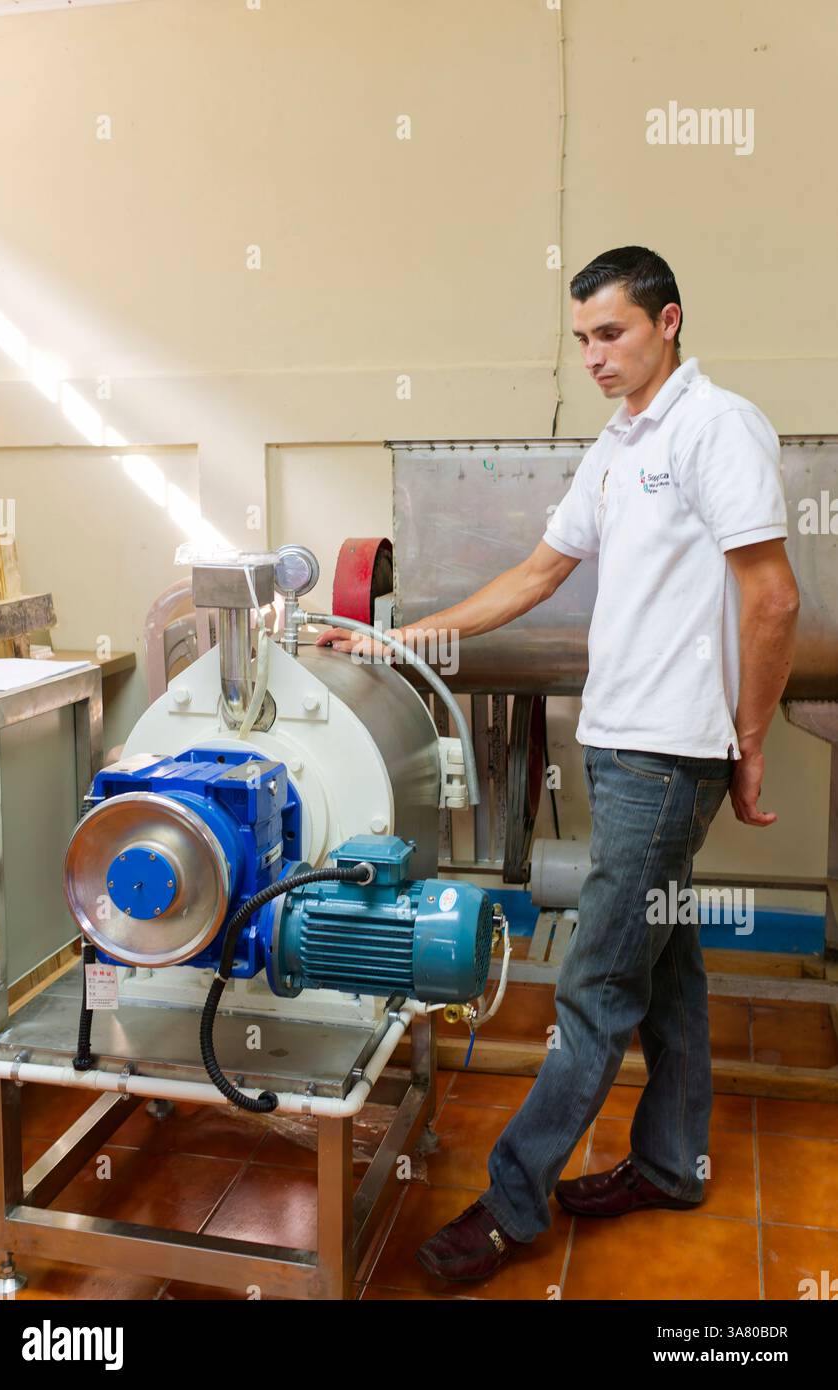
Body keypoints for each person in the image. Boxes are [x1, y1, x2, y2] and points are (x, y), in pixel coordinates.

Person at [315, 246, 799, 1285]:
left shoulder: (716, 428)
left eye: (610, 333)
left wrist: (747, 741)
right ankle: (670, 1164)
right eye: (579, 338)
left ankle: (509, 1204)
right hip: (623, 745)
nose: (592, 355)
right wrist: (404, 640)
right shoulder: (619, 444)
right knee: (662, 968)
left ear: (667, 321)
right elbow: (538, 572)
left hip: (671, 754)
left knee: (591, 988)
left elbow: (772, 598)